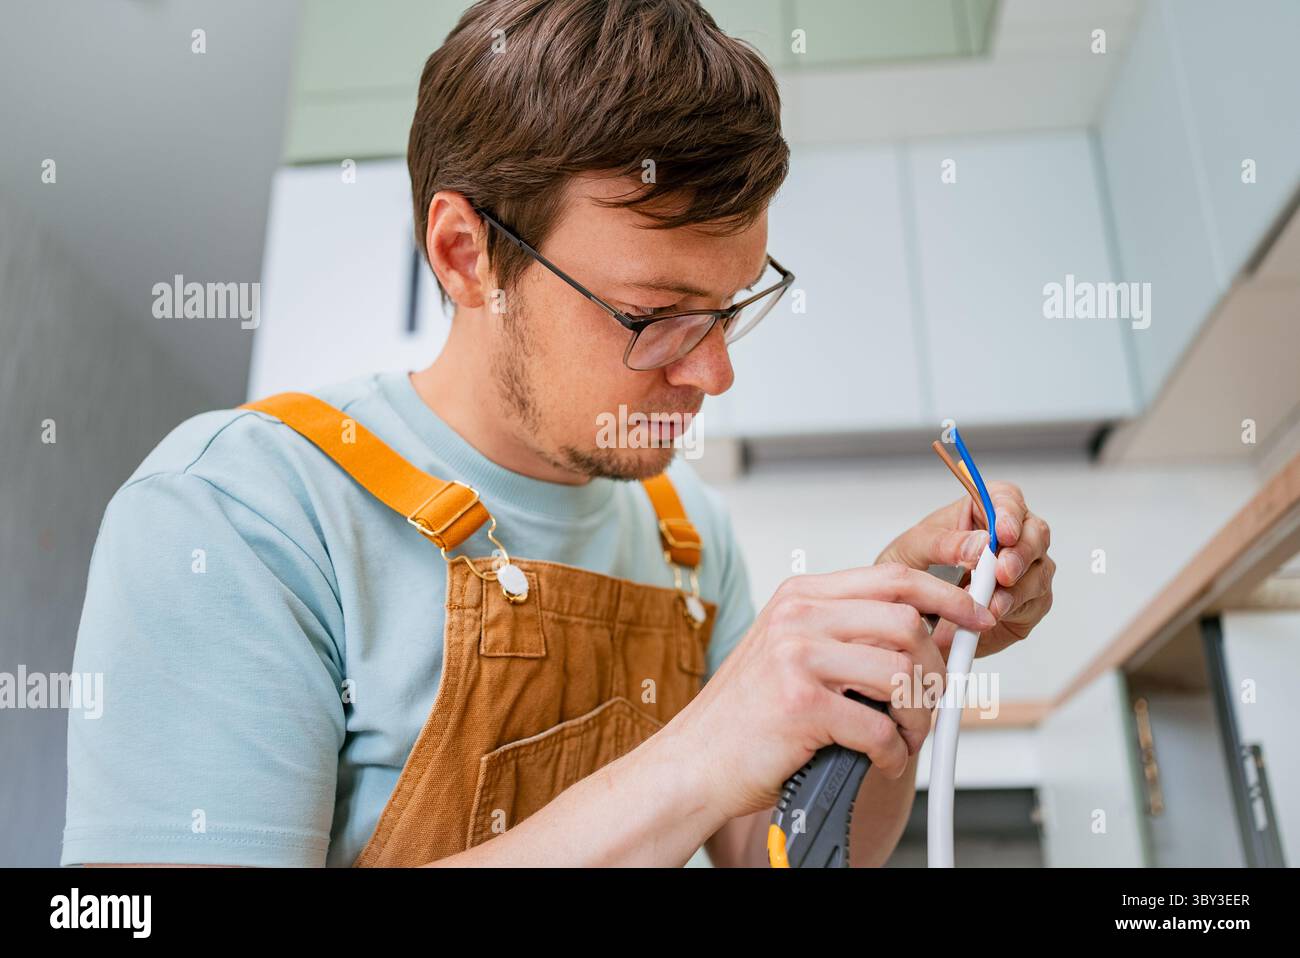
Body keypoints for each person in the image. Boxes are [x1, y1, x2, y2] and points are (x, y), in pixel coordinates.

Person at [63, 0, 1054, 868]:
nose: (713, 372)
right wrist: (695, 757)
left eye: (728, 307)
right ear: (465, 255)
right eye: (651, 315)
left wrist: (877, 675)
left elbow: (776, 858)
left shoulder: (688, 538)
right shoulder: (240, 514)